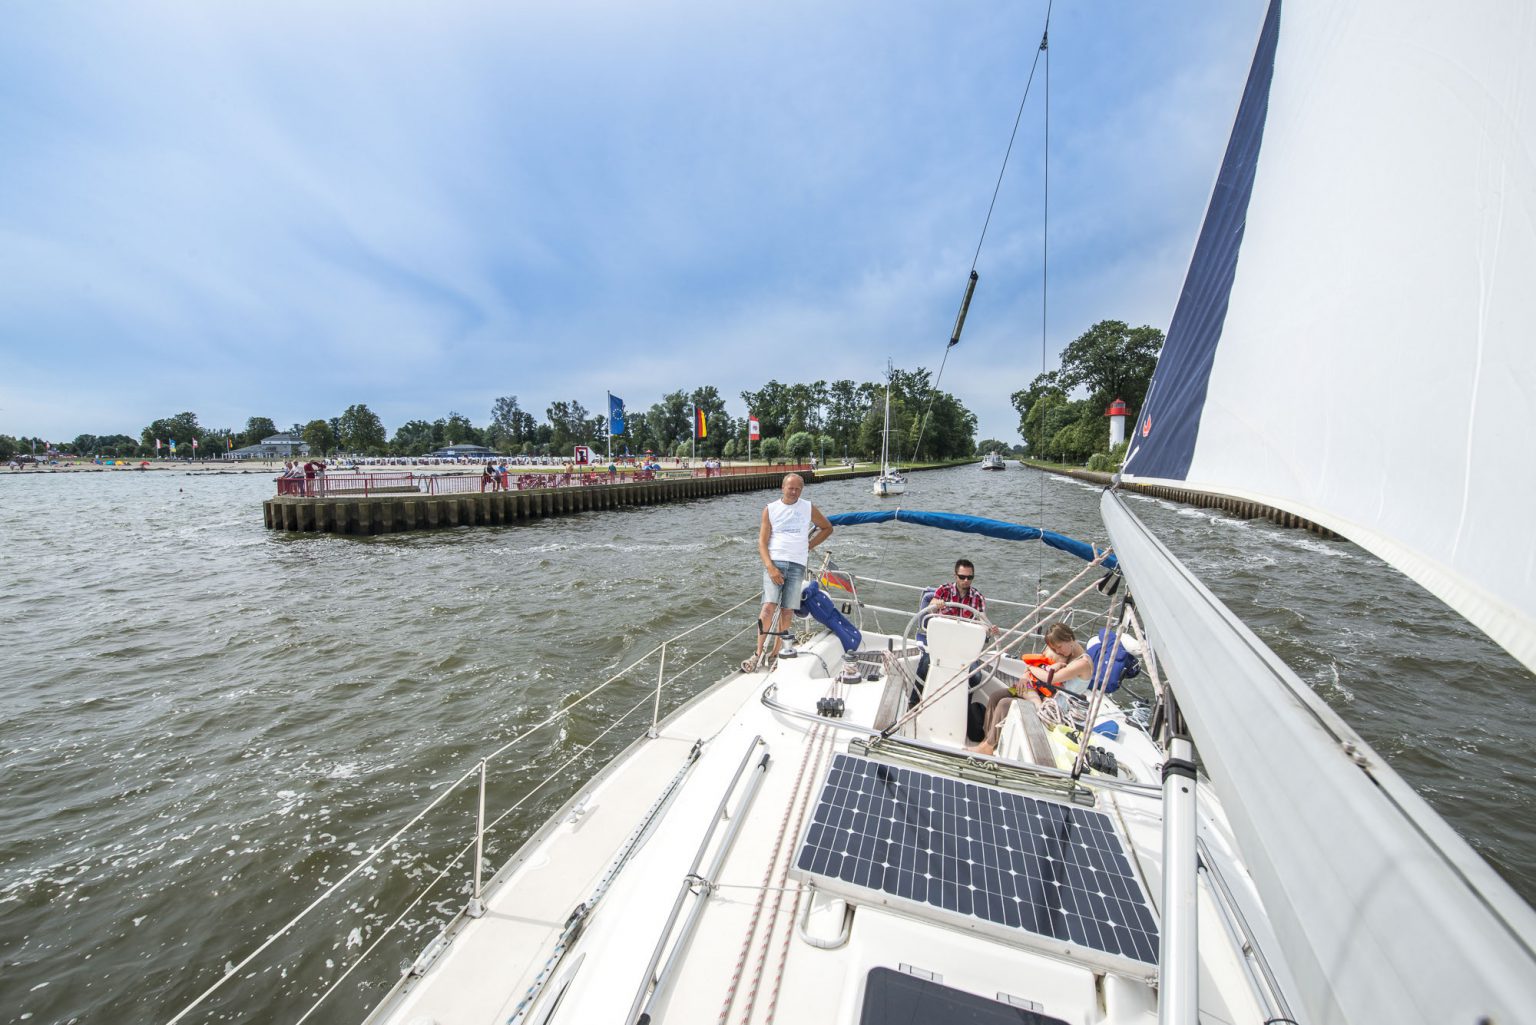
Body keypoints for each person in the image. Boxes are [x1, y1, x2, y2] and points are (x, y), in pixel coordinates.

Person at [742, 473, 833, 672]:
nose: (794, 492)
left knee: (787, 610)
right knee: (768, 607)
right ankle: (758, 653)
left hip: (797, 565)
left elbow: (827, 528)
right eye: (790, 488)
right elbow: (762, 543)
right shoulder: (770, 509)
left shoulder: (808, 507)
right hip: (775, 563)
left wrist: (809, 545)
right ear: (782, 488)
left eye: (798, 489)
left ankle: (776, 653)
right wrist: (770, 567)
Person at [974, 622, 1094, 755]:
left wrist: (1030, 668)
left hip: (1056, 707)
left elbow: (1051, 678)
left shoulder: (1083, 663)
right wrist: (1024, 677)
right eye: (1055, 649)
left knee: (1005, 704)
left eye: (1059, 647)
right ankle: (986, 740)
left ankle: (989, 746)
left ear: (1069, 638)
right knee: (996, 696)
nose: (1058, 652)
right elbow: (1037, 664)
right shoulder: (1058, 650)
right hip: (1040, 692)